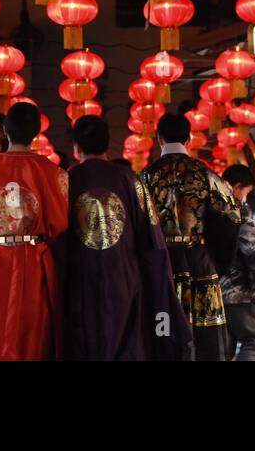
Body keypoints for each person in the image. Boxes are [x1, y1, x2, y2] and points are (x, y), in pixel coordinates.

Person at [63, 115, 190, 360]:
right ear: (108, 144)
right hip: (124, 280)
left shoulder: (66, 181)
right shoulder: (131, 181)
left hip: (78, 282)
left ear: (76, 148)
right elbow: (152, 239)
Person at [0, 102, 69, 360]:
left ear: (5, 130)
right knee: (35, 335)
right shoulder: (54, 173)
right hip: (36, 261)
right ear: (35, 133)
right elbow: (60, 224)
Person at [140, 112, 243, 360]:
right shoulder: (206, 175)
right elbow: (231, 218)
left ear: (158, 138)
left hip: (160, 262)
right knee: (204, 335)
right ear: (189, 139)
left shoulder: (145, 177)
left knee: (162, 331)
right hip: (200, 260)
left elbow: (137, 224)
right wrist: (218, 262)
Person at [220, 164, 255, 361]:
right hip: (240, 292)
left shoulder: (207, 207)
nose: (244, 196)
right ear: (237, 187)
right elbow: (252, 253)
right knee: (253, 340)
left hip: (213, 292)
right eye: (246, 191)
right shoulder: (237, 211)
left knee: (222, 349)